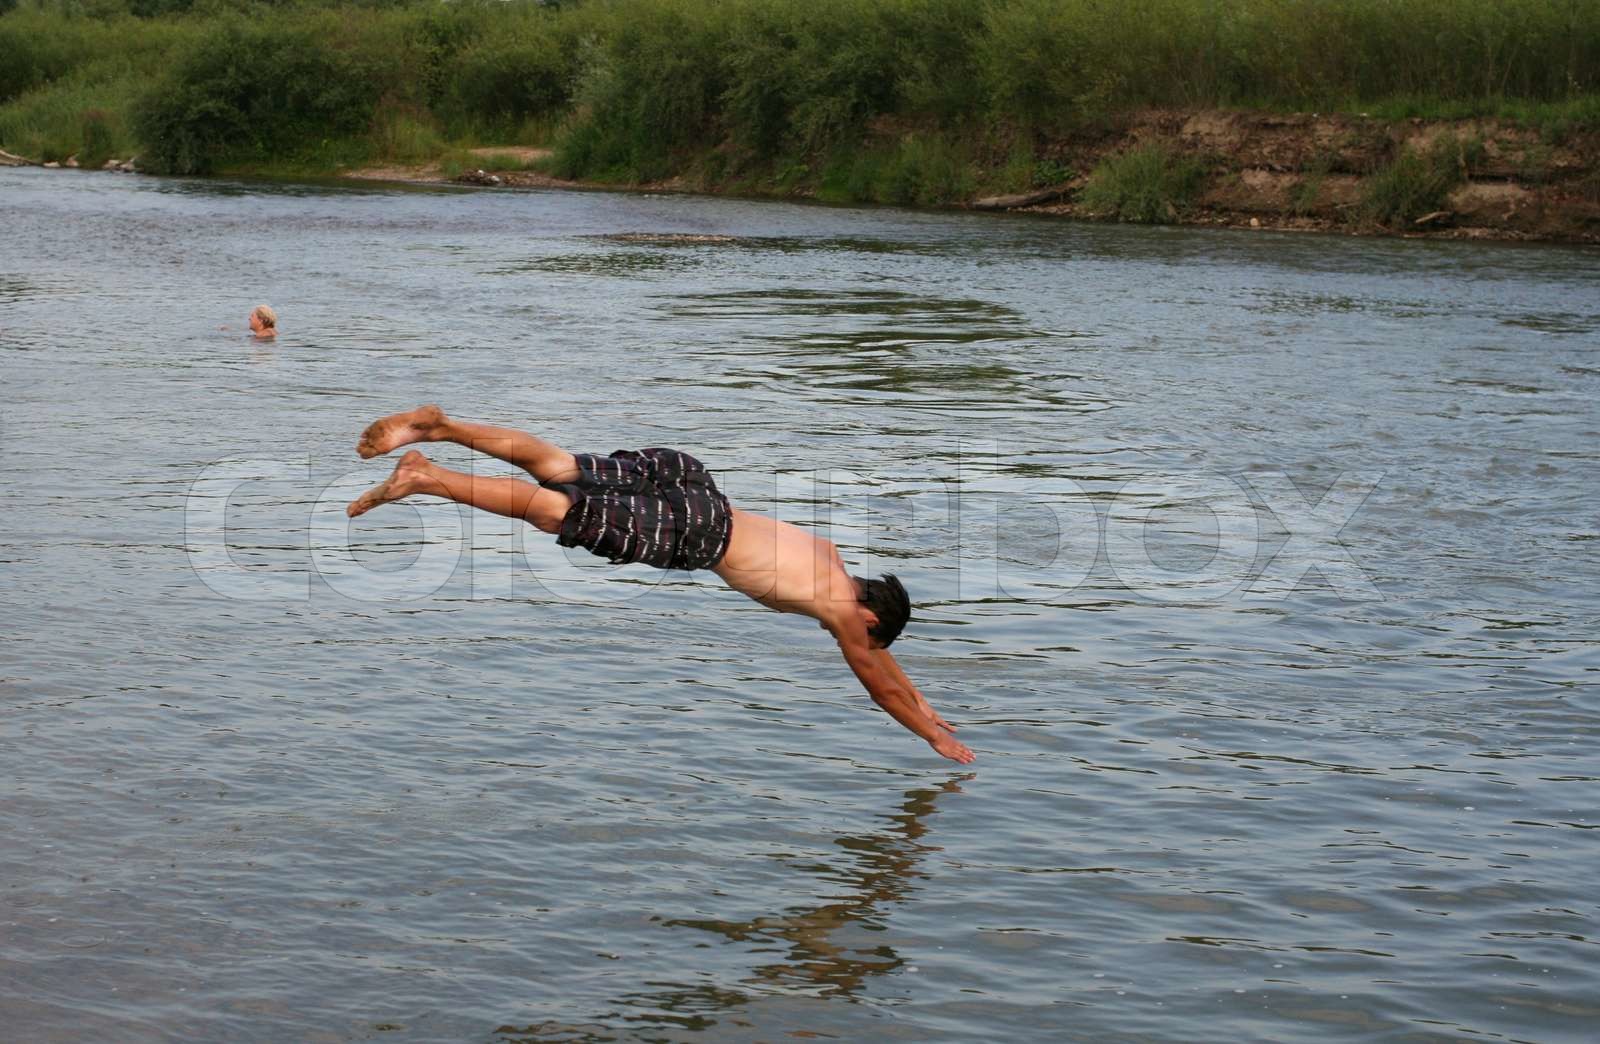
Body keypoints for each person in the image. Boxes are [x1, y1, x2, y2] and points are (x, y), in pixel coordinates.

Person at [345, 406, 975, 764]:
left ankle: (440, 426)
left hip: (696, 483)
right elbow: (876, 683)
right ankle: (428, 477)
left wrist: (924, 701)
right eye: (869, 636)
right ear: (869, 619)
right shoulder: (843, 612)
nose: (861, 642)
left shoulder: (832, 560)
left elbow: (886, 663)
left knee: (562, 467)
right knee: (558, 512)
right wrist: (933, 737)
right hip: (695, 534)